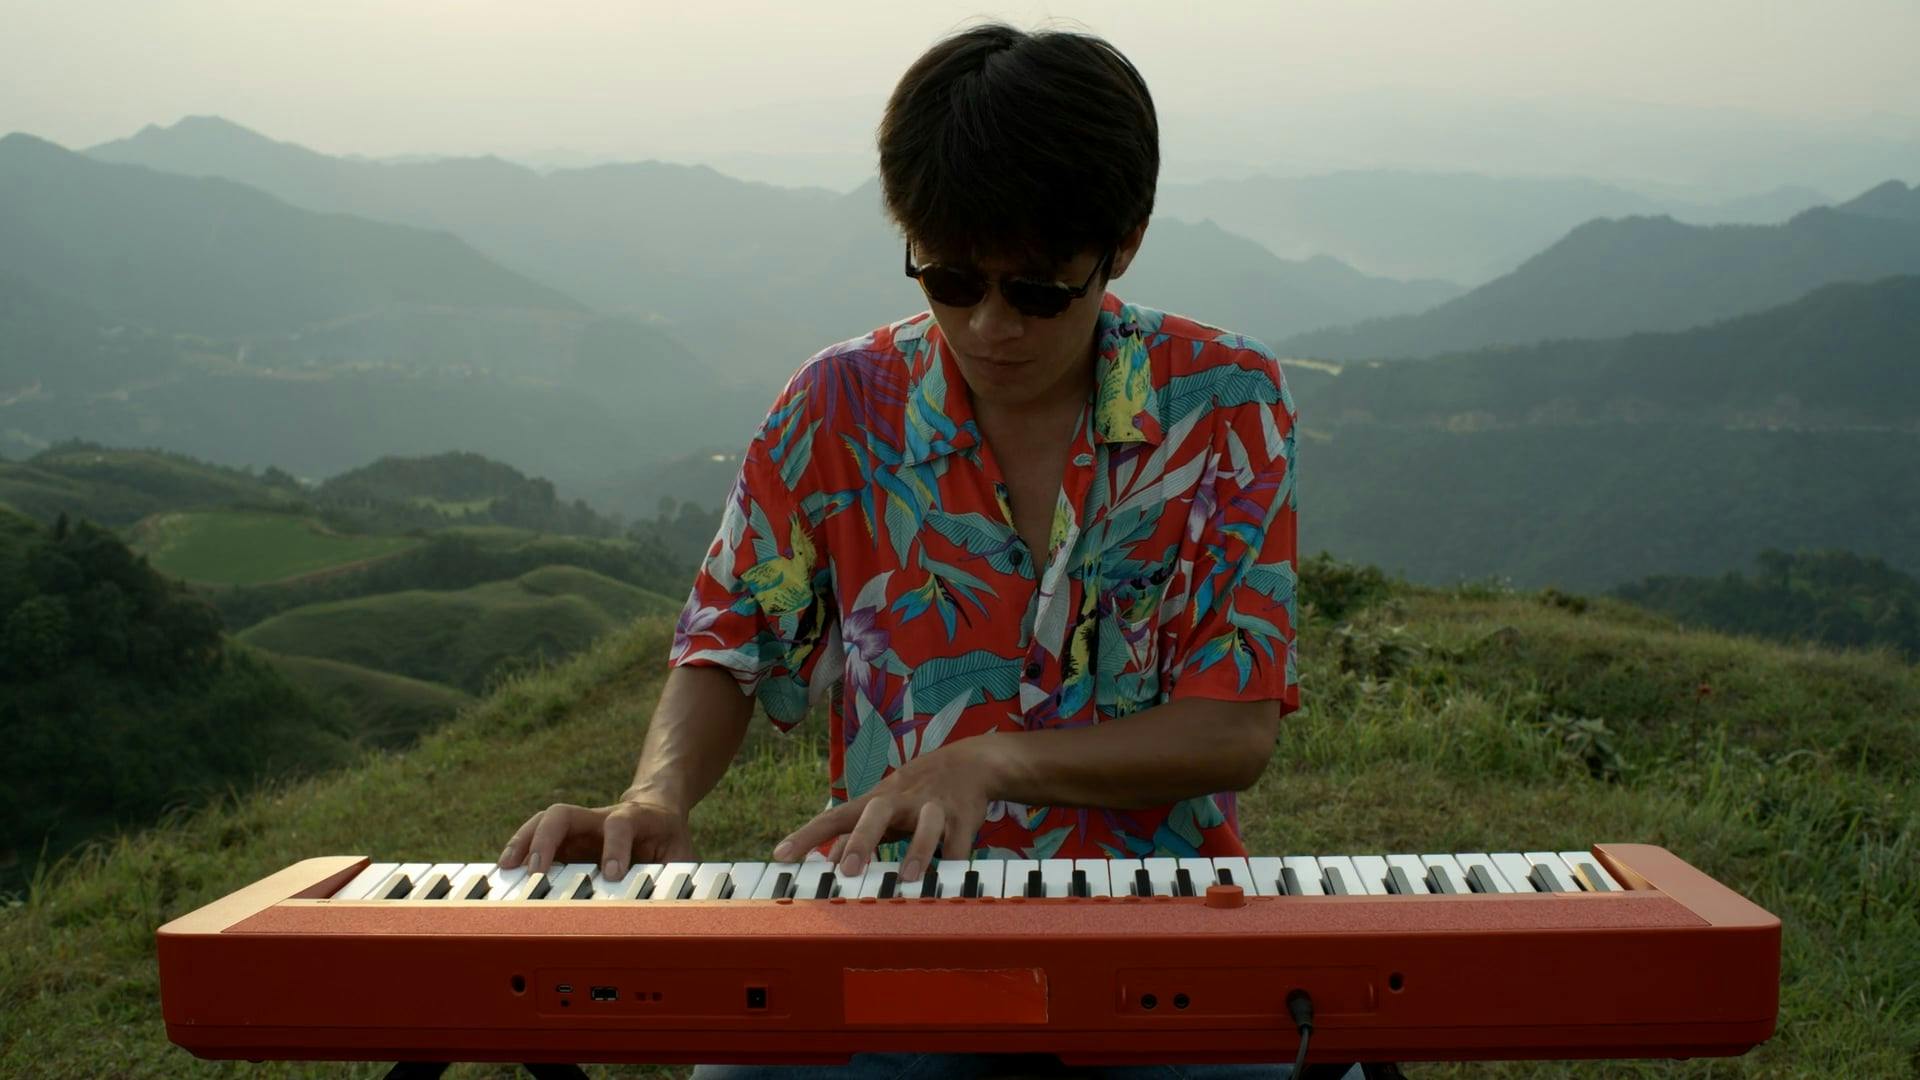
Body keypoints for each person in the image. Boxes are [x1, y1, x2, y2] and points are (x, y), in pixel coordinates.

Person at [498, 21, 1356, 1080]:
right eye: (951, 282)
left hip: (1158, 933)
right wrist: (656, 797)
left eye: (1038, 290)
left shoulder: (1224, 405)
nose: (991, 325)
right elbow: (727, 638)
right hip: (889, 922)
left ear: (1122, 243)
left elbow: (1233, 732)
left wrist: (989, 760)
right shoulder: (836, 408)